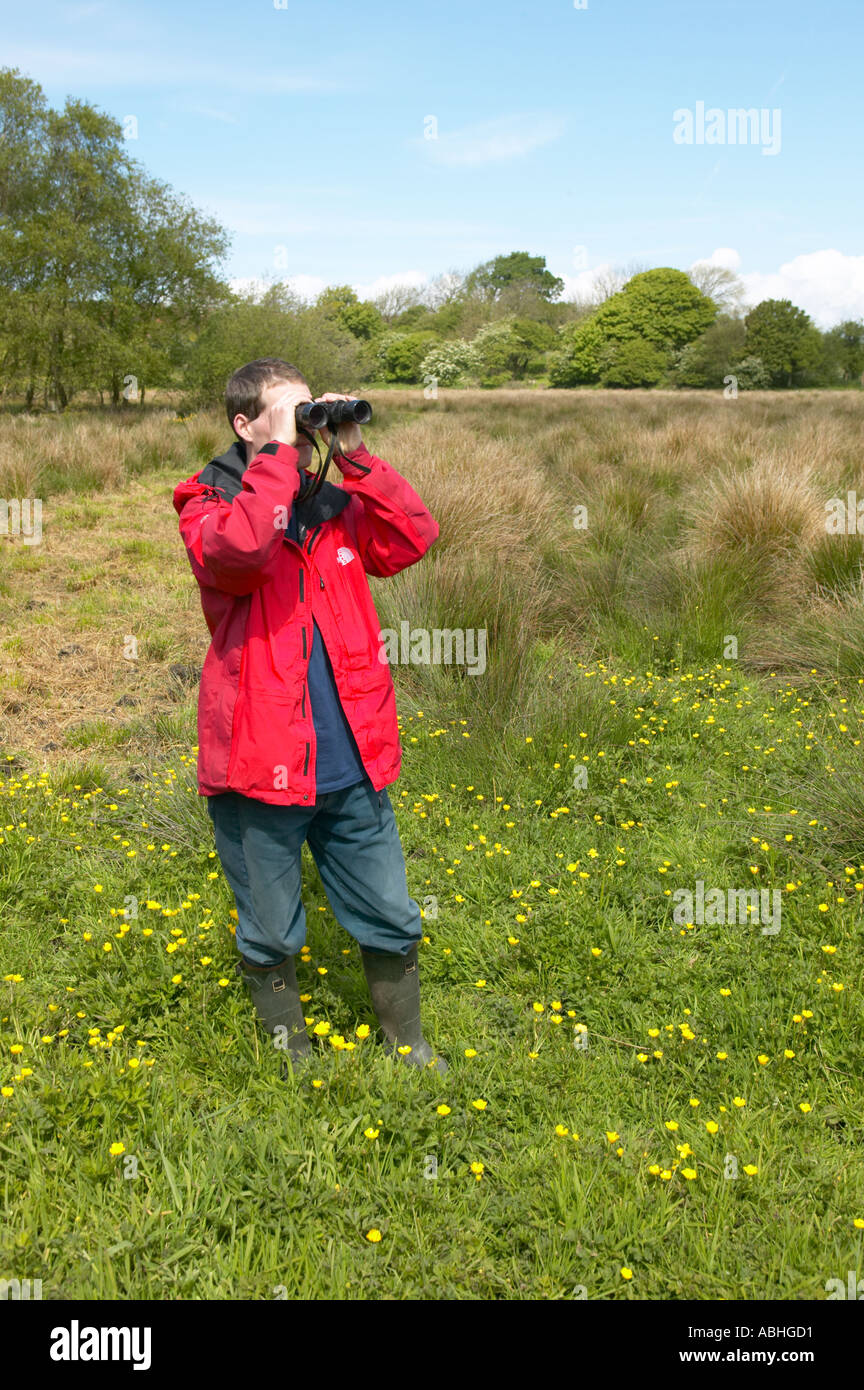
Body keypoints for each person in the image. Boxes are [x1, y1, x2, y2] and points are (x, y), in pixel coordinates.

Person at [172, 357, 447, 1075]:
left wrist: (354, 455)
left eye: (309, 415)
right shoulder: (209, 502)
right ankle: (289, 1057)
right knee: (270, 929)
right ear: (244, 424)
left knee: (390, 911)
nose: (306, 431)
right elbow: (240, 552)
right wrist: (276, 458)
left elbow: (413, 536)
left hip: (352, 758)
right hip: (258, 765)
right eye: (289, 415)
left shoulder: (334, 504)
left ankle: (408, 1044)